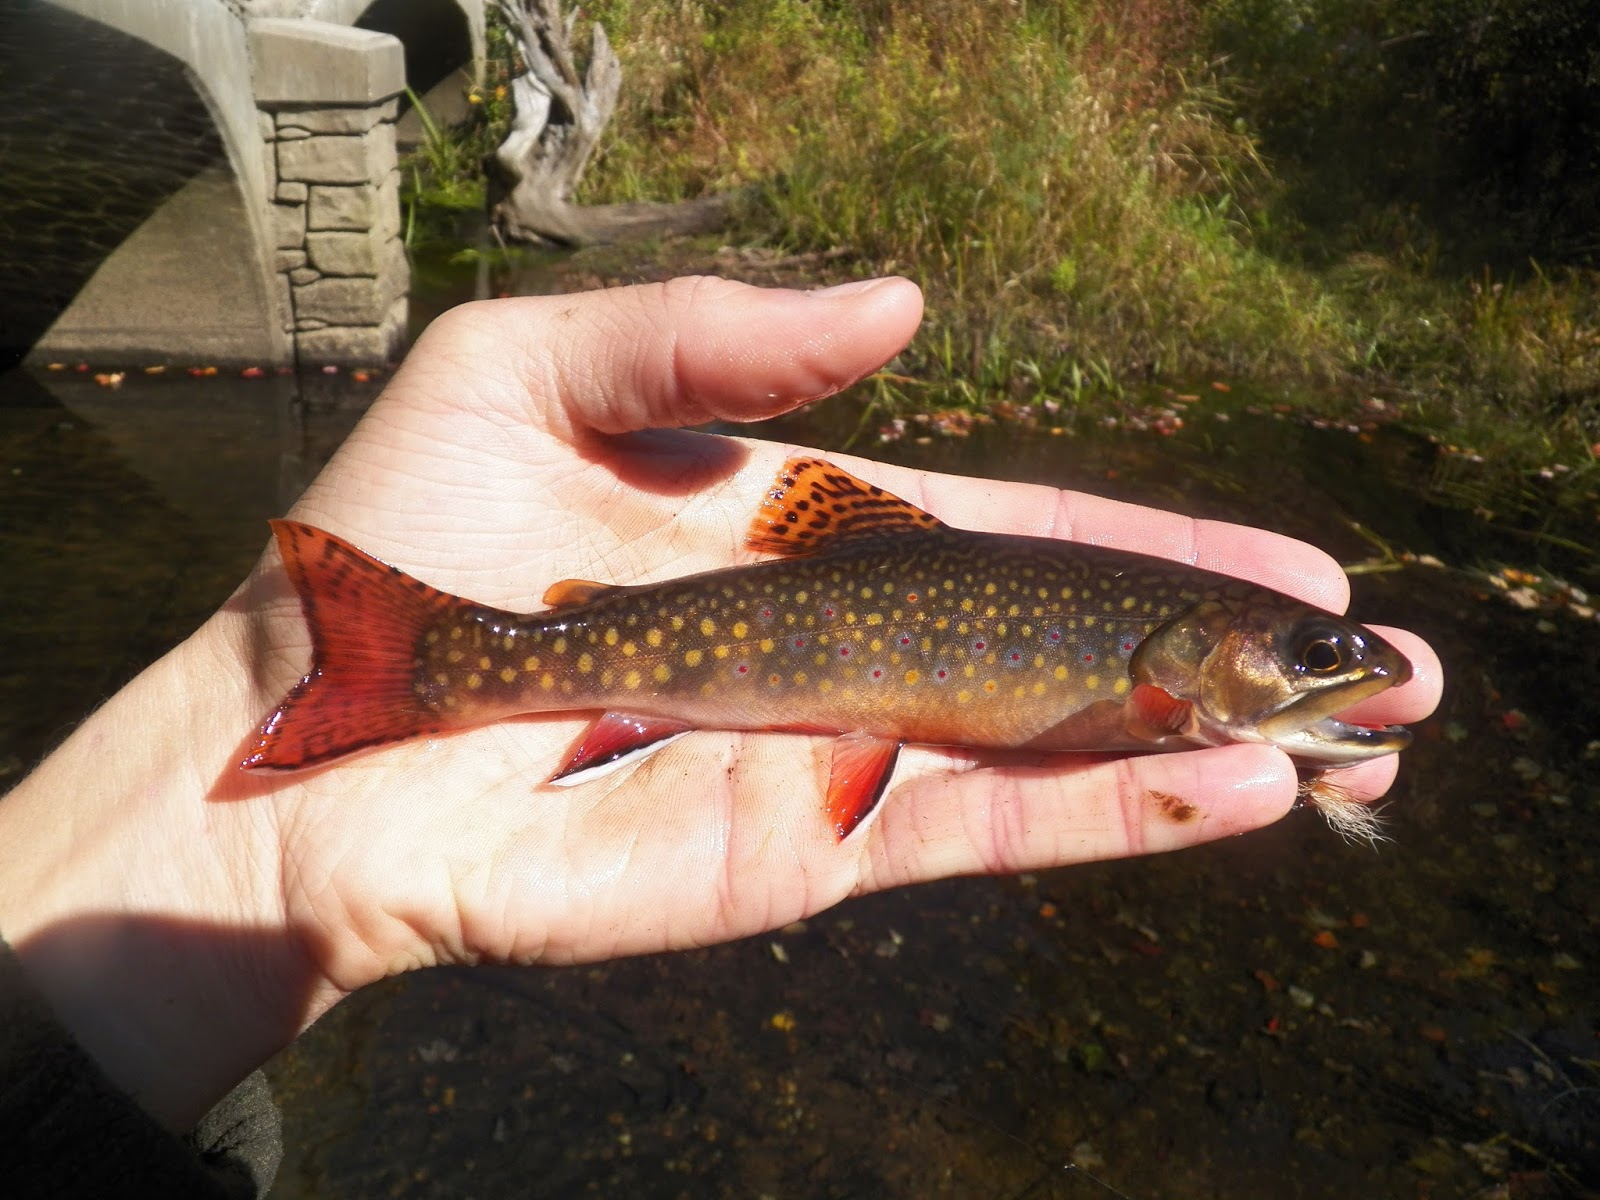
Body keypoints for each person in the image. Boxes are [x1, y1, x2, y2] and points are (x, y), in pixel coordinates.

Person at [0, 278, 1441, 1195]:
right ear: (1196, 659)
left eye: (1325, 660)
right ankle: (419, 667)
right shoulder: (1155, 675)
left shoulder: (1170, 679)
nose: (1341, 672)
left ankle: (413, 673)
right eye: (1316, 655)